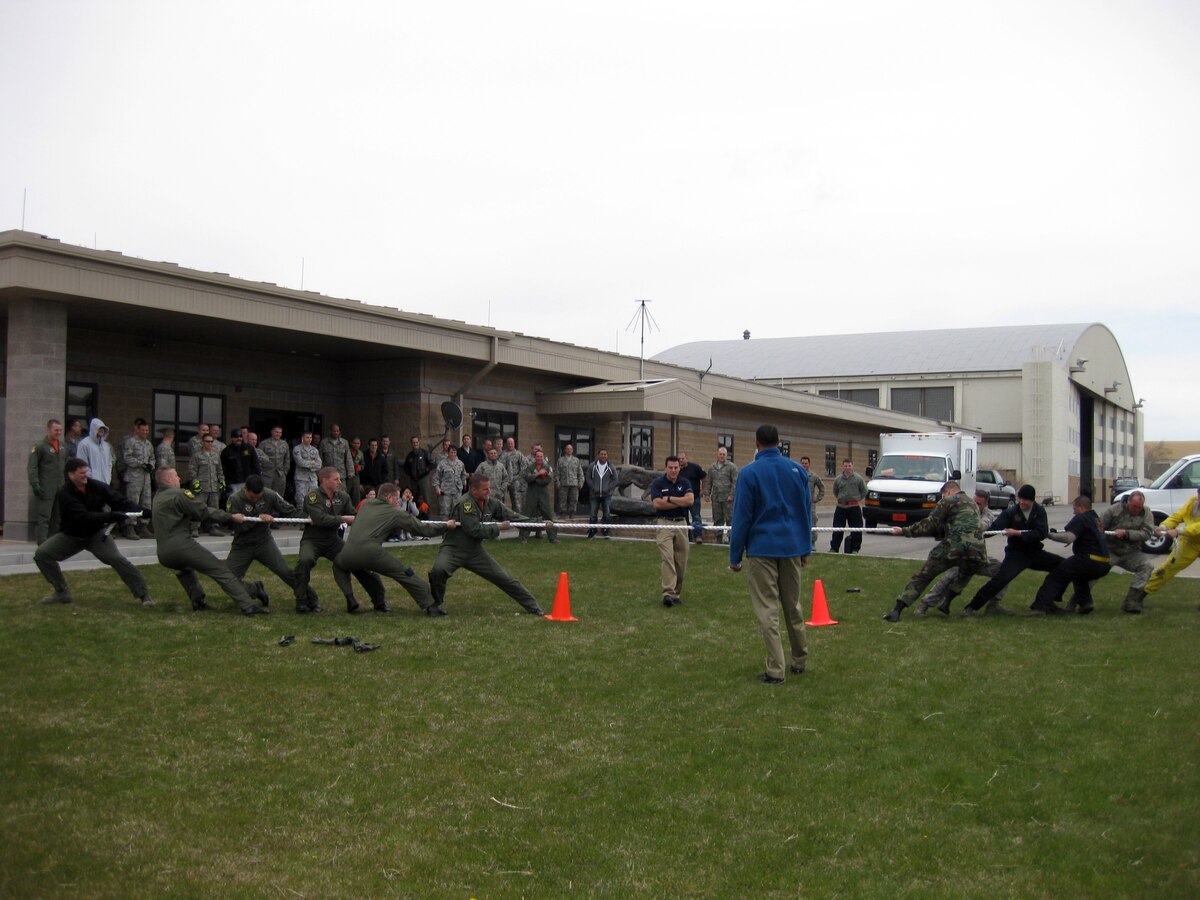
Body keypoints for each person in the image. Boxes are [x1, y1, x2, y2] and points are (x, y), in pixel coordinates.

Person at [728, 425, 812, 685]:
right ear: (779, 442)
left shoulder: (749, 473)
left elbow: (742, 517)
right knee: (793, 606)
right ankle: (799, 659)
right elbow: (805, 512)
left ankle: (776, 669)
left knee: (767, 609)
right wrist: (805, 547)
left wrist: (735, 554)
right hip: (791, 548)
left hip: (762, 548)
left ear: (757, 443)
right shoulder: (797, 471)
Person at [34, 458, 156, 606]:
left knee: (117, 560)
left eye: (87, 472)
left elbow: (121, 502)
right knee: (42, 555)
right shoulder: (64, 493)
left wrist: (145, 512)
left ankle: (144, 595)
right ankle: (61, 593)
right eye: (82, 473)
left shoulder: (96, 486)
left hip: (97, 535)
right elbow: (83, 517)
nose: (86, 475)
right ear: (70, 475)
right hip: (72, 535)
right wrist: (112, 516)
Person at [151, 466, 270, 616]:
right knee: (220, 570)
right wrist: (230, 517)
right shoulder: (179, 494)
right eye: (176, 476)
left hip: (163, 553)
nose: (179, 478)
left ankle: (197, 599)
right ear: (168, 479)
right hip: (181, 546)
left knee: (185, 569)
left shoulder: (157, 498)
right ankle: (248, 605)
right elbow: (203, 511)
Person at [429, 472, 547, 615]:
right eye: (485, 489)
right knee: (438, 571)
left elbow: (513, 517)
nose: (489, 491)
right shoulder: (466, 503)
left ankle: (532, 606)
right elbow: (474, 530)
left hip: (474, 551)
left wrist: (539, 524)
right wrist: (498, 527)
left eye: (489, 488)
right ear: (474, 490)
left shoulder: (491, 503)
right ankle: (434, 604)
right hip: (454, 548)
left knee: (504, 578)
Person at [335, 482, 453, 615]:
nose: (398, 502)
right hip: (371, 552)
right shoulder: (395, 513)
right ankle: (430, 605)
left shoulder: (365, 505)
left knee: (340, 566)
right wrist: (445, 527)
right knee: (404, 574)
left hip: (348, 551)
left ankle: (352, 598)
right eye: (396, 499)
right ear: (388, 497)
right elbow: (422, 529)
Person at [881, 481, 988, 621]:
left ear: (948, 492)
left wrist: (904, 531)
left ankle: (896, 611)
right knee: (965, 575)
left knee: (923, 576)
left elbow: (930, 523)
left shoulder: (948, 501)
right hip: (978, 551)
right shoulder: (972, 503)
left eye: (942, 495)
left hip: (954, 547)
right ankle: (946, 603)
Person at [294, 467, 386, 614]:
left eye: (339, 479)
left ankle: (379, 600)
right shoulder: (312, 497)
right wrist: (343, 519)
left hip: (332, 540)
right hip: (312, 540)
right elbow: (320, 519)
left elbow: (353, 514)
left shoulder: (343, 497)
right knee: (305, 560)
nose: (339, 482)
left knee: (358, 562)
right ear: (324, 480)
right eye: (335, 479)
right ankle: (302, 601)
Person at [960, 484, 1062, 615]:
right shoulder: (1011, 512)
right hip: (1016, 554)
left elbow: (1041, 533)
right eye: (1020, 499)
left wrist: (1018, 533)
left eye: (1025, 500)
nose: (1022, 502)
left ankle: (1045, 603)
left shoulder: (1039, 512)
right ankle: (972, 607)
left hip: (1035, 553)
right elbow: (993, 529)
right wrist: (976, 535)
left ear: (1032, 500)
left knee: (1063, 566)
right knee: (1001, 580)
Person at [225, 474, 320, 613]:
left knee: (285, 572)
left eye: (259, 497)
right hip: (242, 545)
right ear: (245, 489)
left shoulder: (270, 495)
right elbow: (236, 527)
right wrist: (258, 518)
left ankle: (311, 598)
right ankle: (254, 590)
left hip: (264, 542)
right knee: (228, 579)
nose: (256, 500)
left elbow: (289, 511)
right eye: (252, 498)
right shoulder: (235, 500)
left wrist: (307, 518)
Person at [917, 488, 1013, 617]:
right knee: (948, 578)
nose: (975, 505)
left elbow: (981, 526)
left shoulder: (988, 514)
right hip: (959, 553)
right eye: (974, 502)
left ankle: (993, 606)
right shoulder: (964, 510)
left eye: (978, 504)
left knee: (1004, 572)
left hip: (977, 556)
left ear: (986, 504)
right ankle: (924, 606)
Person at [1028, 494, 1111, 616]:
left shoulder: (1081, 518)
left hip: (1089, 559)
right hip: (1104, 563)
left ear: (1081, 507)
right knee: (1078, 575)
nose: (1074, 512)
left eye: (1074, 509)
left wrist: (1047, 535)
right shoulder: (1096, 519)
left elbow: (1068, 537)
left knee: (1056, 575)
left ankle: (1041, 606)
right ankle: (1085, 603)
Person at [1091, 490, 1155, 614]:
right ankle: (1080, 600)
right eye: (1134, 506)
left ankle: (1131, 601)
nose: (1137, 509)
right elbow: (1098, 527)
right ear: (1128, 502)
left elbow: (1147, 533)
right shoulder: (1113, 510)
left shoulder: (1146, 513)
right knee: (1093, 571)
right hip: (1110, 550)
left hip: (1131, 552)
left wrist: (1127, 533)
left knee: (1147, 566)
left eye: (1139, 507)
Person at [1144, 487, 1200, 603]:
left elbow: (1197, 528)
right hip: (1190, 542)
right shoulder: (1192, 502)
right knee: (1168, 567)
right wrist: (1164, 526)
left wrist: (1179, 531)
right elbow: (1178, 516)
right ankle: (1140, 593)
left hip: (1188, 534)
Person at [650, 455, 693, 607]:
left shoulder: (685, 482)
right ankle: (668, 593)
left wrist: (669, 498)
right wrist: (679, 501)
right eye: (670, 468)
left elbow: (690, 501)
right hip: (664, 524)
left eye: (676, 468)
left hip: (681, 524)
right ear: (666, 467)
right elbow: (657, 503)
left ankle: (676, 594)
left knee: (681, 561)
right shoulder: (658, 483)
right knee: (668, 558)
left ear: (679, 468)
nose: (673, 470)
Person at [27, 418, 65, 544]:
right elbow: (32, 467)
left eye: (60, 430)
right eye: (56, 430)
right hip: (46, 488)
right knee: (44, 517)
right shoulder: (39, 446)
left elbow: (66, 466)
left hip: (60, 488)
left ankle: (54, 543)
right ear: (49, 430)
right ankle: (42, 544)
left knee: (57, 518)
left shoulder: (63, 446)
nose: (58, 432)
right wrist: (35, 485)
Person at [119, 418, 156, 539]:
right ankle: (130, 527)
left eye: (147, 430)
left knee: (146, 503)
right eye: (143, 430)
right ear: (137, 429)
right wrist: (141, 464)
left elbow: (152, 458)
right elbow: (127, 458)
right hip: (134, 478)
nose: (145, 432)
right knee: (132, 503)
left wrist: (151, 465)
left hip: (146, 479)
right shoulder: (131, 442)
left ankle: (143, 527)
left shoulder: (149, 444)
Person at [190, 432, 227, 536]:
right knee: (198, 508)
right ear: (202, 442)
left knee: (214, 508)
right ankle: (194, 528)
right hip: (201, 487)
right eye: (207, 441)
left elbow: (219, 470)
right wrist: (195, 483)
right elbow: (192, 471)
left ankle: (213, 527)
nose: (210, 443)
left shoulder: (215, 455)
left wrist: (222, 481)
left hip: (214, 487)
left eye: (211, 441)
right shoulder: (197, 455)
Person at [829, 458, 867, 553]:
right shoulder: (838, 479)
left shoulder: (858, 478)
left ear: (852, 466)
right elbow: (835, 491)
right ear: (842, 466)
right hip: (841, 507)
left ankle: (855, 548)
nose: (847, 467)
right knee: (837, 528)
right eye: (845, 466)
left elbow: (864, 491)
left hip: (854, 507)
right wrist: (841, 499)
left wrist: (857, 499)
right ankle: (834, 548)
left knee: (856, 529)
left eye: (849, 465)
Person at [520, 448, 557, 543]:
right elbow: (527, 478)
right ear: (535, 457)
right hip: (531, 493)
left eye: (541, 456)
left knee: (548, 515)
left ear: (543, 457)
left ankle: (552, 538)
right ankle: (524, 537)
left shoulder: (547, 467)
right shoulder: (530, 466)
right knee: (527, 515)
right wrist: (538, 474)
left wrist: (535, 479)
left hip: (543, 494)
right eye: (538, 456)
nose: (539, 458)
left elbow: (548, 480)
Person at [706, 446, 738, 545]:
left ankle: (730, 539)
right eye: (720, 454)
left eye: (724, 454)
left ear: (726, 455)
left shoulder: (731, 467)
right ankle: (718, 539)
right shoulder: (712, 468)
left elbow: (735, 482)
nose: (722, 456)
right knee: (717, 519)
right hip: (716, 498)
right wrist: (707, 494)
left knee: (730, 519)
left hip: (728, 499)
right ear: (717, 454)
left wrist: (732, 495)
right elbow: (708, 482)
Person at [586, 448, 617, 539]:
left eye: (605, 454)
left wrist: (608, 489)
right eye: (601, 454)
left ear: (607, 456)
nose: (603, 456)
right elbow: (588, 478)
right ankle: (592, 531)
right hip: (594, 494)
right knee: (593, 513)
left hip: (606, 495)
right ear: (598, 455)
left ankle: (605, 531)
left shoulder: (611, 467)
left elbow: (615, 480)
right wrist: (593, 487)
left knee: (607, 513)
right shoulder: (592, 466)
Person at [75, 418, 115, 485]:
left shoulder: (106, 446)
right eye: (100, 428)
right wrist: (91, 478)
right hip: (90, 483)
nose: (102, 430)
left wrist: (108, 477)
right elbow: (81, 464)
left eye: (103, 428)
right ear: (94, 428)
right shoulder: (84, 444)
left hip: (105, 483)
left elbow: (109, 463)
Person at [678, 452, 707, 544]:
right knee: (684, 517)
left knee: (696, 517)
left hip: (695, 497)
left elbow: (704, 476)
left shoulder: (695, 468)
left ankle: (698, 536)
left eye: (683, 458)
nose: (681, 460)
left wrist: (703, 489)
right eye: (679, 459)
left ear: (686, 458)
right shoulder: (677, 470)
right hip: (682, 498)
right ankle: (687, 537)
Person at [220, 430, 260, 497]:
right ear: (232, 438)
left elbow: (256, 465)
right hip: (233, 484)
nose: (239, 438)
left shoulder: (249, 448)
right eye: (236, 437)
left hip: (248, 482)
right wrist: (226, 484)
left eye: (240, 436)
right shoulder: (226, 451)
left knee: (248, 503)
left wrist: (255, 479)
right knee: (235, 503)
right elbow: (223, 469)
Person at [434, 444, 466, 519]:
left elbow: (463, 474)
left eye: (455, 452)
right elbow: (436, 477)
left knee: (457, 512)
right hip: (445, 492)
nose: (453, 454)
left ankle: (455, 529)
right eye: (451, 452)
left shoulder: (460, 463)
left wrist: (461, 483)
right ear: (448, 453)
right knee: (445, 512)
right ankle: (444, 529)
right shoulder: (442, 464)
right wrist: (437, 488)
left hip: (457, 491)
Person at [259, 426, 291, 497]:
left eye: (280, 433)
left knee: (279, 496)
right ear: (272, 432)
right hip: (267, 474)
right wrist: (261, 471)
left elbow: (287, 459)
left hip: (280, 474)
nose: (278, 434)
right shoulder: (264, 443)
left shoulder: (284, 444)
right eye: (276, 432)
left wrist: (285, 472)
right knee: (265, 495)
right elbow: (259, 457)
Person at [555, 443, 584, 518]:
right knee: (562, 499)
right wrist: (557, 481)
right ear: (565, 450)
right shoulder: (560, 460)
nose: (569, 450)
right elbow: (557, 472)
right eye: (567, 449)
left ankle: (572, 513)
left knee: (574, 499)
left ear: (572, 450)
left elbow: (580, 472)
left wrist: (581, 482)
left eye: (570, 449)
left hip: (574, 483)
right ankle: (562, 513)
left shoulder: (576, 460)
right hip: (563, 483)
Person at [800, 456, 825, 542]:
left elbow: (822, 488)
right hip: (799, 504)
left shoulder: (813, 476)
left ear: (809, 464)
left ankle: (812, 542)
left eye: (806, 463)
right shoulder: (797, 475)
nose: (804, 465)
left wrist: (817, 498)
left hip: (810, 504)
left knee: (812, 523)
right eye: (802, 463)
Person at [292, 431, 321, 505]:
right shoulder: (297, 449)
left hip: (312, 479)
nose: (309, 439)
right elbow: (300, 462)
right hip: (301, 478)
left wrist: (309, 465)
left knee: (313, 499)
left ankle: (311, 515)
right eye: (307, 437)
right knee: (301, 499)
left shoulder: (315, 450)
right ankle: (301, 515)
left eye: (310, 437)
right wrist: (312, 462)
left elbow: (319, 465)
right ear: (302, 438)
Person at [404, 436, 433, 502]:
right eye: (413, 442)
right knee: (413, 499)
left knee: (426, 499)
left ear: (419, 443)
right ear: (411, 444)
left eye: (416, 442)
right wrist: (410, 474)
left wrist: (426, 471)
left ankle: (427, 512)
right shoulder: (410, 455)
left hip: (423, 479)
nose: (415, 444)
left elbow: (431, 464)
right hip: (413, 480)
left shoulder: (424, 453)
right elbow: (406, 467)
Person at [500, 437, 526, 511]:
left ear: (514, 444)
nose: (510, 445)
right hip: (504, 480)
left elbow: (523, 468)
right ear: (506, 444)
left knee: (516, 500)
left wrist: (518, 477)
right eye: (508, 443)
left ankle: (517, 515)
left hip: (515, 480)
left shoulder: (518, 454)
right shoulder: (503, 454)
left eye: (511, 443)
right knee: (502, 499)